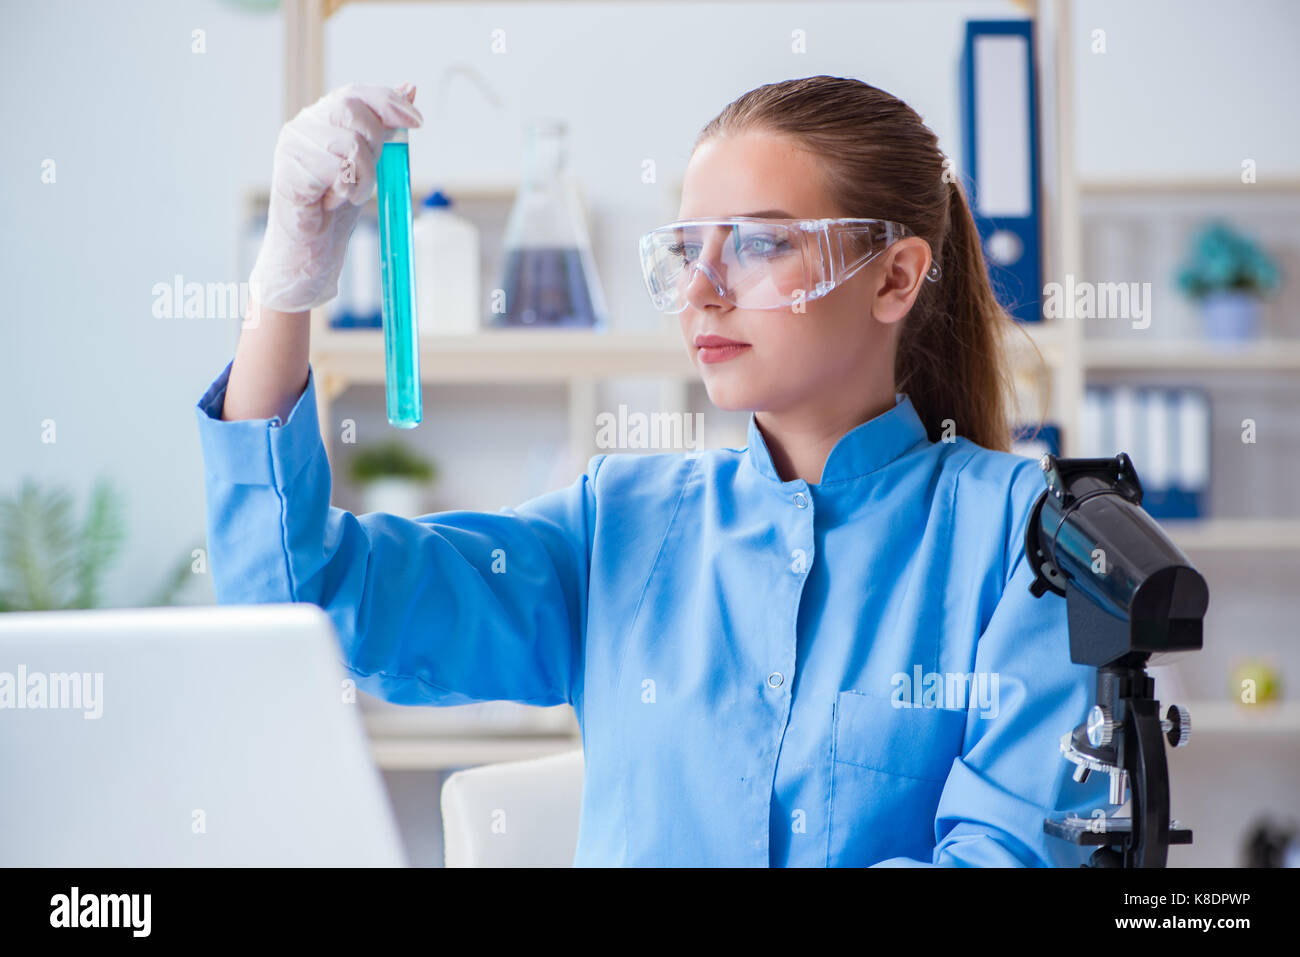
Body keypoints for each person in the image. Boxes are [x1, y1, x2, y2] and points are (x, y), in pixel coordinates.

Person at [195, 74, 1108, 866]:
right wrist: (286, 283)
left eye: (759, 242)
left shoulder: (1026, 540)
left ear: (895, 277)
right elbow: (295, 596)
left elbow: (1012, 857)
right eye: (687, 250)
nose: (704, 287)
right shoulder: (620, 524)